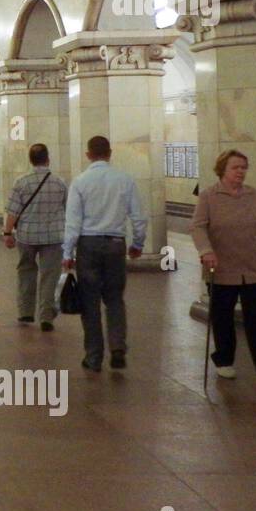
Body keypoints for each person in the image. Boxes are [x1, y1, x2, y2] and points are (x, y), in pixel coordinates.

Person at [192, 150, 256, 385]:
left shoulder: (254, 196)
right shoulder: (208, 196)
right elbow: (197, 227)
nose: (241, 171)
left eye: (244, 167)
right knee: (222, 317)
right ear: (223, 169)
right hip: (222, 267)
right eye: (236, 167)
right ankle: (224, 361)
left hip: (253, 267)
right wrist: (206, 251)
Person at [62, 136, 147, 373]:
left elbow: (73, 222)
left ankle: (93, 357)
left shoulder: (80, 182)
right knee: (114, 299)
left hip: (87, 246)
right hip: (115, 245)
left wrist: (67, 252)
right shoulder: (125, 180)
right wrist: (137, 244)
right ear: (110, 153)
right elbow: (139, 217)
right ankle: (117, 347)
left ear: (88, 154)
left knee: (90, 302)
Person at [2, 144, 67, 332]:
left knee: (26, 271)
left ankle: (26, 311)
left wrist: (8, 234)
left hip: (27, 236)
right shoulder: (59, 183)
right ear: (48, 159)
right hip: (54, 237)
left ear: (30, 160)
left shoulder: (21, 182)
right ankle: (46, 316)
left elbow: (12, 211)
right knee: (50, 275)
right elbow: (67, 209)